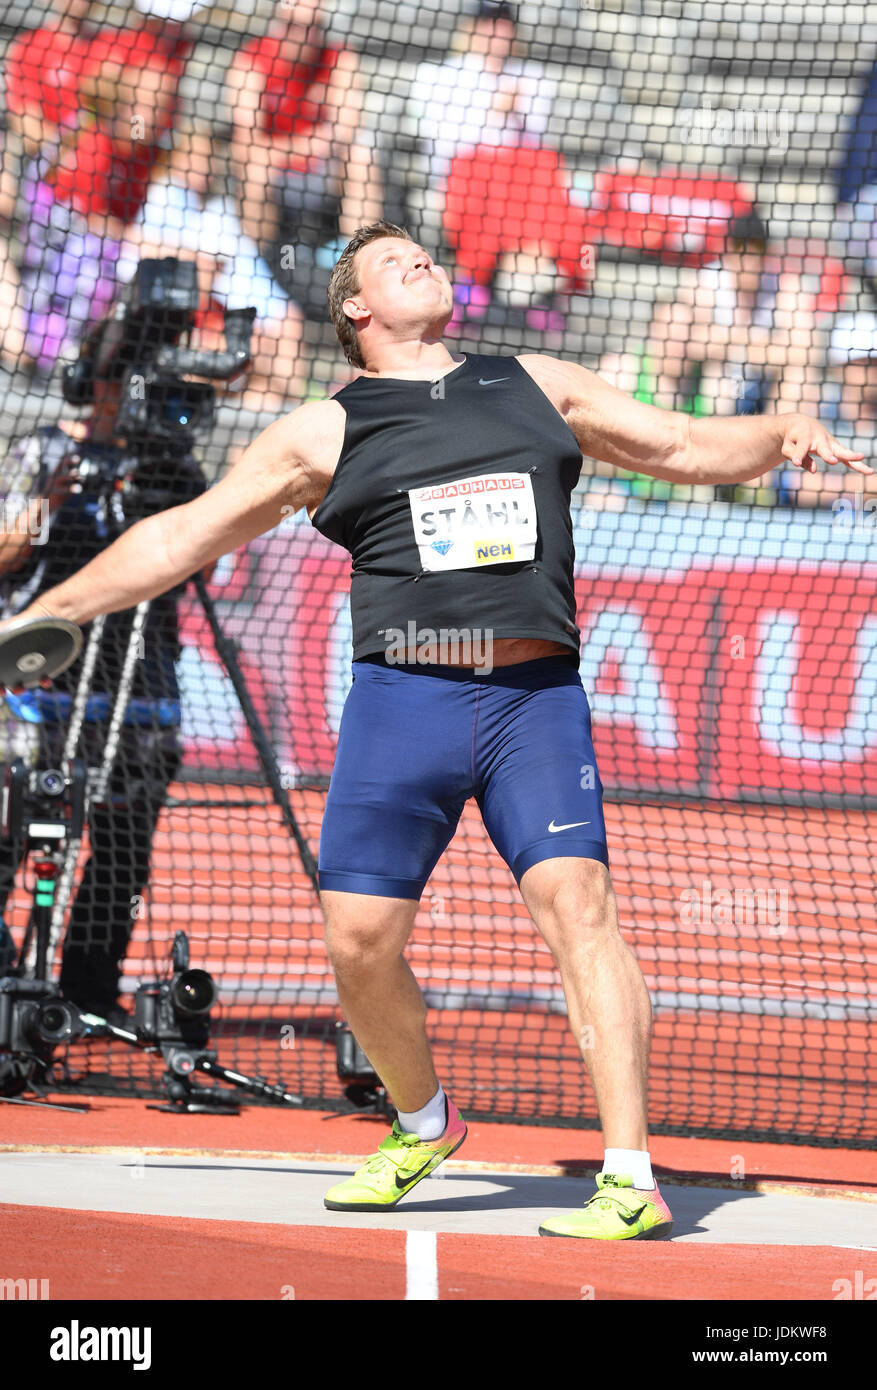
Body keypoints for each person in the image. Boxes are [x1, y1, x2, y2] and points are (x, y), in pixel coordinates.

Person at [1, 220, 867, 1238]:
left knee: (579, 911)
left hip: (531, 703)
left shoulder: (534, 380)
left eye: (423, 252)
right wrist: (36, 619)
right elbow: (181, 536)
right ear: (355, 310)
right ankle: (420, 1121)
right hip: (401, 702)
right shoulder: (323, 429)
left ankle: (628, 1172)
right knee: (359, 940)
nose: (419, 258)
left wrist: (777, 434)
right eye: (392, 259)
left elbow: (680, 444)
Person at [0, 370, 205, 1025]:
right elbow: (4, 551)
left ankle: (87, 994)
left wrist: (174, 495)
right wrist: (53, 499)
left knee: (120, 851)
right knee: (12, 836)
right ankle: (8, 985)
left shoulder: (172, 466)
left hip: (140, 687)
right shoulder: (44, 449)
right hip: (40, 682)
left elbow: (202, 571)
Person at [119, 122, 306, 413]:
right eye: (194, 158)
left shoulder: (219, 208)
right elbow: (136, 245)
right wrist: (196, 258)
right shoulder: (167, 194)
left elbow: (248, 243)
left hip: (236, 318)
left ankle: (296, 407)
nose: (202, 168)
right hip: (190, 321)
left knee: (267, 393)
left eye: (208, 160)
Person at [226, 0, 381, 268]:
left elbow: (347, 129)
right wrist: (306, 146)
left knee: (361, 158)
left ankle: (361, 263)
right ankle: (255, 268)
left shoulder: (339, 57)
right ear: (278, 23)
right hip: (277, 175)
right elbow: (245, 142)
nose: (303, 35)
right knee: (254, 169)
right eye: (294, 25)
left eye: (313, 26)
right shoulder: (252, 58)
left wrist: (308, 146)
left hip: (323, 174)